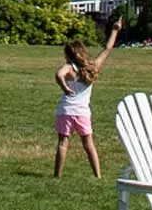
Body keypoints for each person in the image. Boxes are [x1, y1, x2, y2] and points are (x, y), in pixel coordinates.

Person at [53, 16, 124, 179]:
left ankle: (57, 175)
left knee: (63, 143)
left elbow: (58, 75)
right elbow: (107, 49)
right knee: (88, 143)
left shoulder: (69, 67)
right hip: (83, 111)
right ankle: (97, 175)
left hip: (65, 110)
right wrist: (115, 30)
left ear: (68, 55)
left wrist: (64, 87)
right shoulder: (92, 67)